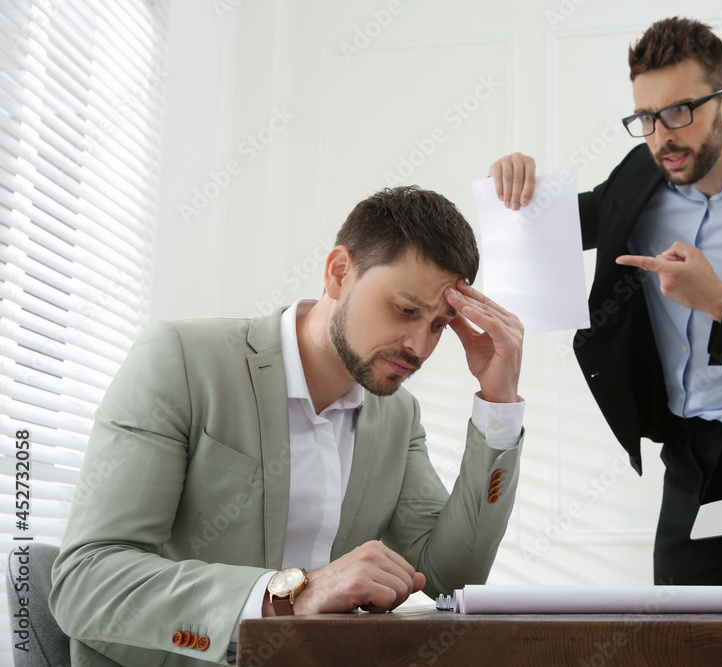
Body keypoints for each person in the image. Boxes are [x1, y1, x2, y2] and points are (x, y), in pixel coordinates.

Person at [50, 186, 526, 665]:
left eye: (439, 325)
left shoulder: (397, 417)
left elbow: (449, 576)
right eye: (405, 310)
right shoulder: (182, 360)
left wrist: (498, 402)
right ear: (339, 273)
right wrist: (291, 595)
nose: (420, 346)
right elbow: (86, 581)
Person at [489, 17, 722, 599]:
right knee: (680, 642)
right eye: (644, 117)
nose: (659, 135)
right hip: (686, 456)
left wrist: (717, 301)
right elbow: (560, 224)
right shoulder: (642, 175)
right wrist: (517, 185)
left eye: (678, 111)